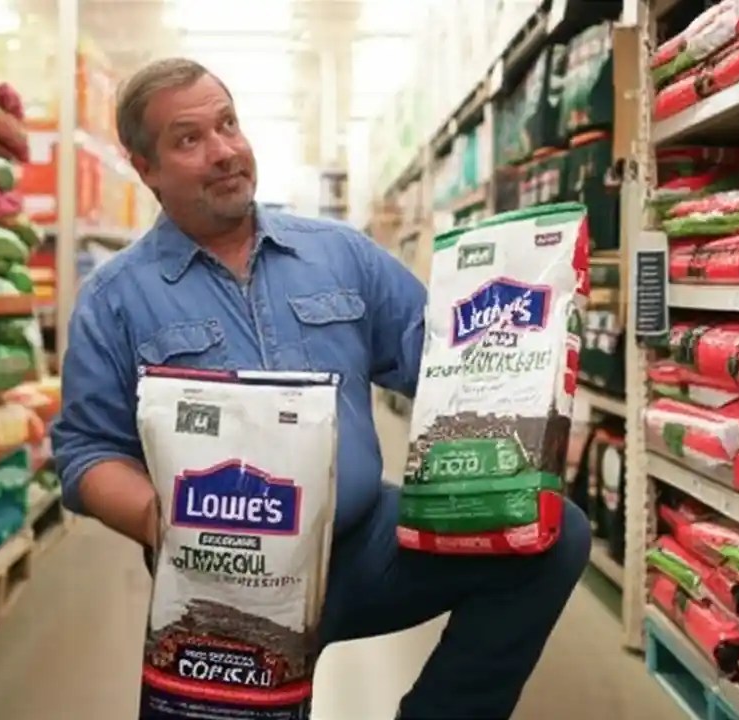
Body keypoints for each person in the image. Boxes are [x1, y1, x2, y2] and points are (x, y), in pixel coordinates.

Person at [51, 57, 592, 720]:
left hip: (369, 549)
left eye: (228, 125)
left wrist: (529, 333)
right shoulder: (114, 300)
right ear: (145, 167)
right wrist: (159, 520)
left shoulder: (341, 255)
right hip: (226, 587)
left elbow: (441, 364)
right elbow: (85, 453)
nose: (223, 152)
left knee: (554, 536)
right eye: (189, 139)